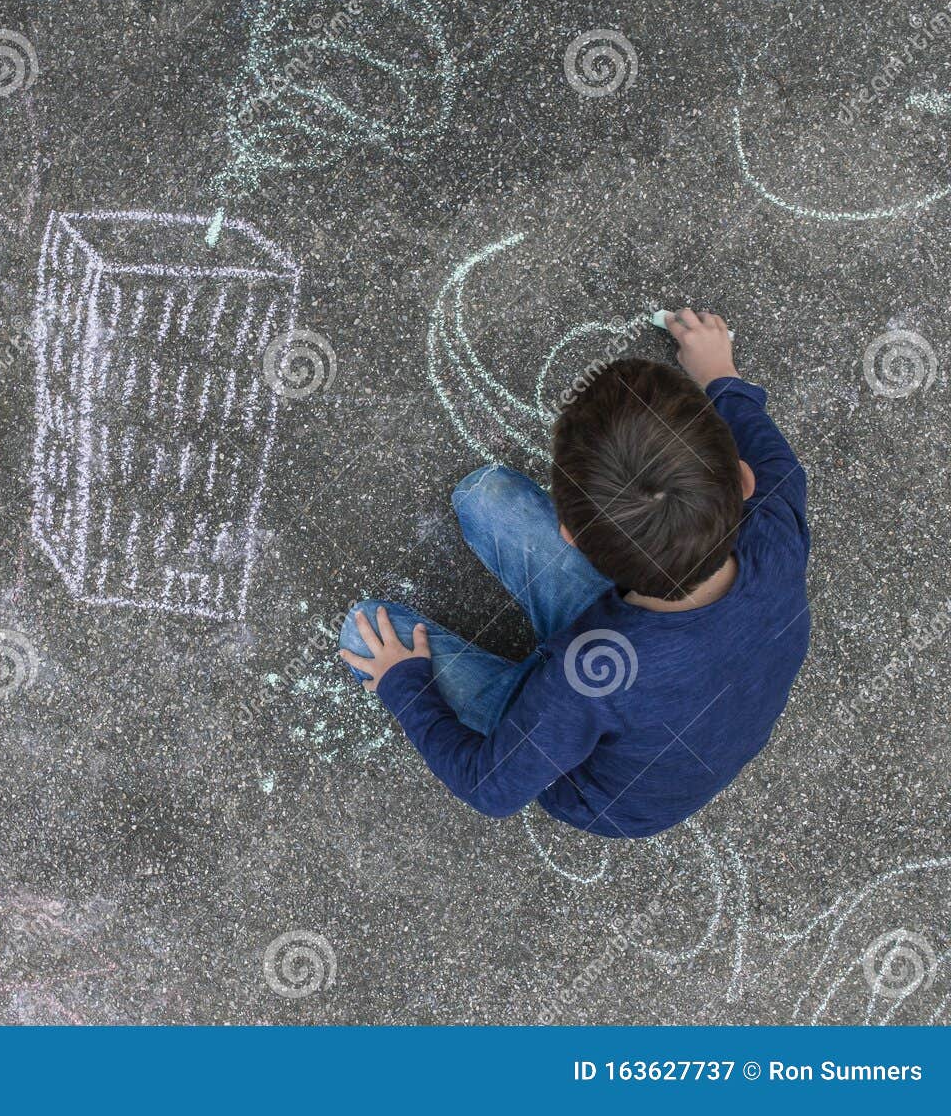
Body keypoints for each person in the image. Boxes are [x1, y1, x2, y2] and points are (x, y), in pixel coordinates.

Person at [338, 310, 810, 838]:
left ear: (574, 542)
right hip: (682, 681)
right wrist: (719, 373)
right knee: (484, 495)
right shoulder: (774, 512)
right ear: (744, 479)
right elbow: (759, 440)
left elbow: (490, 787)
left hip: (603, 786)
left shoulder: (585, 681)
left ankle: (450, 673)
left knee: (363, 630)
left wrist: (406, 690)